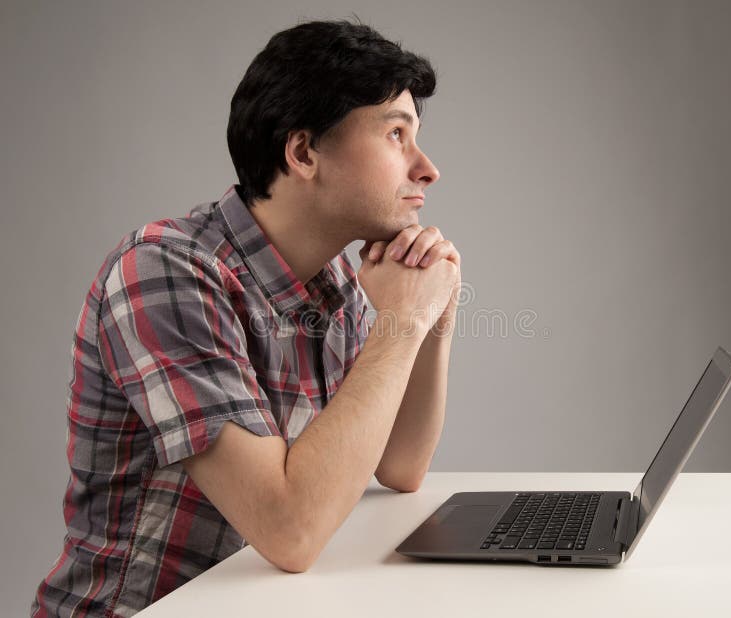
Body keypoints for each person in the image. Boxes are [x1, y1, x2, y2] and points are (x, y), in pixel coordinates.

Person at [30, 16, 461, 617]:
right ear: (304, 151)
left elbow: (400, 466)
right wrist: (401, 325)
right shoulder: (162, 272)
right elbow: (289, 529)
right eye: (396, 134)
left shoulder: (333, 280)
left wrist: (434, 314)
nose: (426, 168)